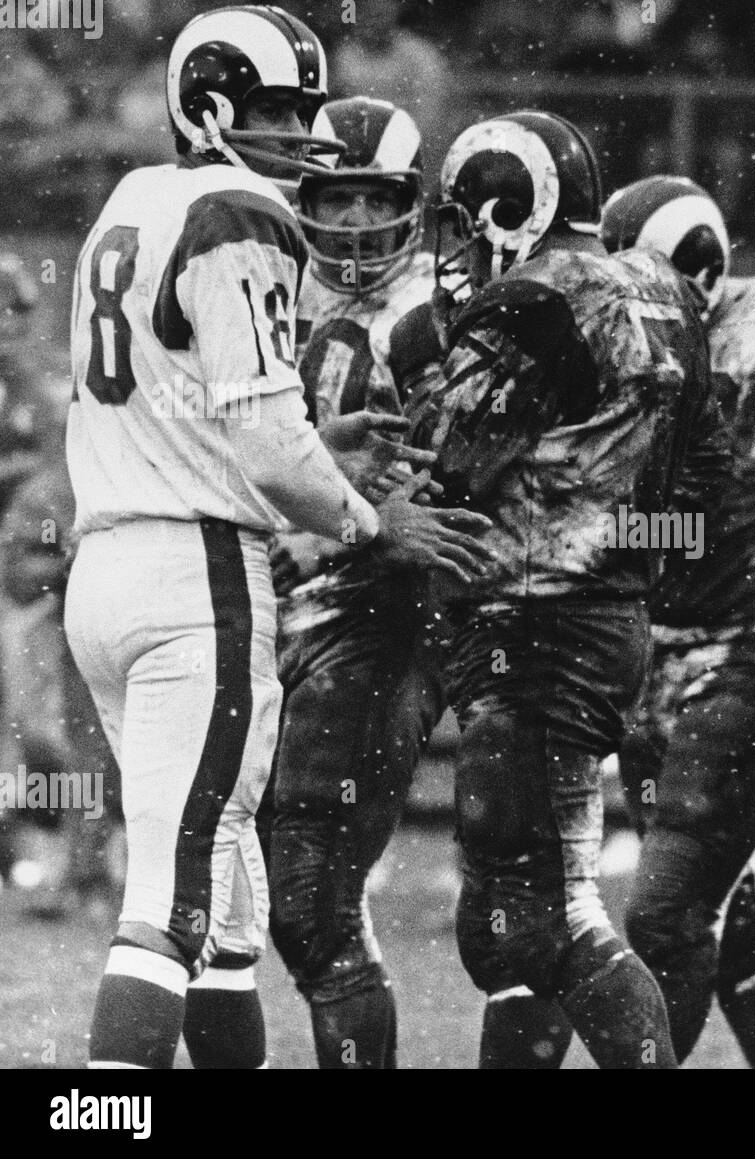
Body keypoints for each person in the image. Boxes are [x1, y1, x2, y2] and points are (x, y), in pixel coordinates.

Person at [65, 5, 490, 1070]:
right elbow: (262, 443)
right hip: (196, 579)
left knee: (229, 905)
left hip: (107, 570)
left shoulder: (131, 198)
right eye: (270, 110)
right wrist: (364, 514)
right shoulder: (240, 210)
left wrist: (313, 439)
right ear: (204, 105)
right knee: (171, 894)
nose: (298, 134)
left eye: (303, 107)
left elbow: (198, 404)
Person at [403, 110, 729, 1069]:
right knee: (553, 902)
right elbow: (702, 473)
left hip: (535, 626)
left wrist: (417, 380)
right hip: (611, 617)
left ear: (513, 201)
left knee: (529, 918)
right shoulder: (668, 290)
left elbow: (449, 465)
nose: (459, 245)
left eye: (468, 219)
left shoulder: (533, 299)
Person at [266, 95, 490, 1069]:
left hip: (376, 612)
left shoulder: (435, 319)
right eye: (334, 197)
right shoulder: (272, 287)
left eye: (373, 200)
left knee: (310, 896)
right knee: (277, 902)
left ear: (413, 204)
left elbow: (446, 503)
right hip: (286, 598)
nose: (353, 223)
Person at [601, 174, 755, 1067]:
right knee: (731, 929)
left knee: (666, 911)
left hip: (744, 654)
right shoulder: (646, 347)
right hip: (658, 664)